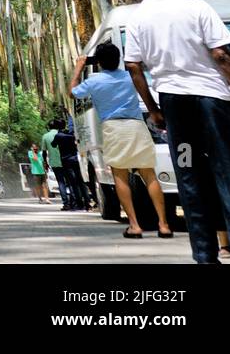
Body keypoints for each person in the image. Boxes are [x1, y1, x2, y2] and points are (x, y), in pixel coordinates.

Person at [123, 0, 230, 264]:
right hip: (213, 104)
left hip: (176, 109)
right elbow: (221, 56)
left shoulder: (138, 17)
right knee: (228, 171)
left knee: (189, 176)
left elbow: (133, 65)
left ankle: (204, 256)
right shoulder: (196, 8)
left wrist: (155, 110)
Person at [70, 41, 173, 239]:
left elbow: (72, 93)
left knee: (120, 175)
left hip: (113, 128)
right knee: (149, 174)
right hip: (136, 126)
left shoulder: (93, 80)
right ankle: (164, 224)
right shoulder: (130, 76)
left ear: (98, 62)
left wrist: (78, 67)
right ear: (119, 59)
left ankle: (134, 225)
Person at [51, 118, 90, 211]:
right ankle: (87, 203)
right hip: (75, 159)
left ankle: (79, 203)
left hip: (66, 161)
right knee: (80, 181)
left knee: (73, 183)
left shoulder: (58, 136)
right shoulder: (71, 134)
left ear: (56, 126)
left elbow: (53, 145)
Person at [42, 119, 71, 209]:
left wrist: (45, 163)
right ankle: (74, 202)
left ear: (49, 127)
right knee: (70, 181)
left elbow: (44, 152)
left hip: (54, 162)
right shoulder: (63, 134)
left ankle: (66, 203)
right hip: (66, 160)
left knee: (61, 182)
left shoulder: (45, 136)